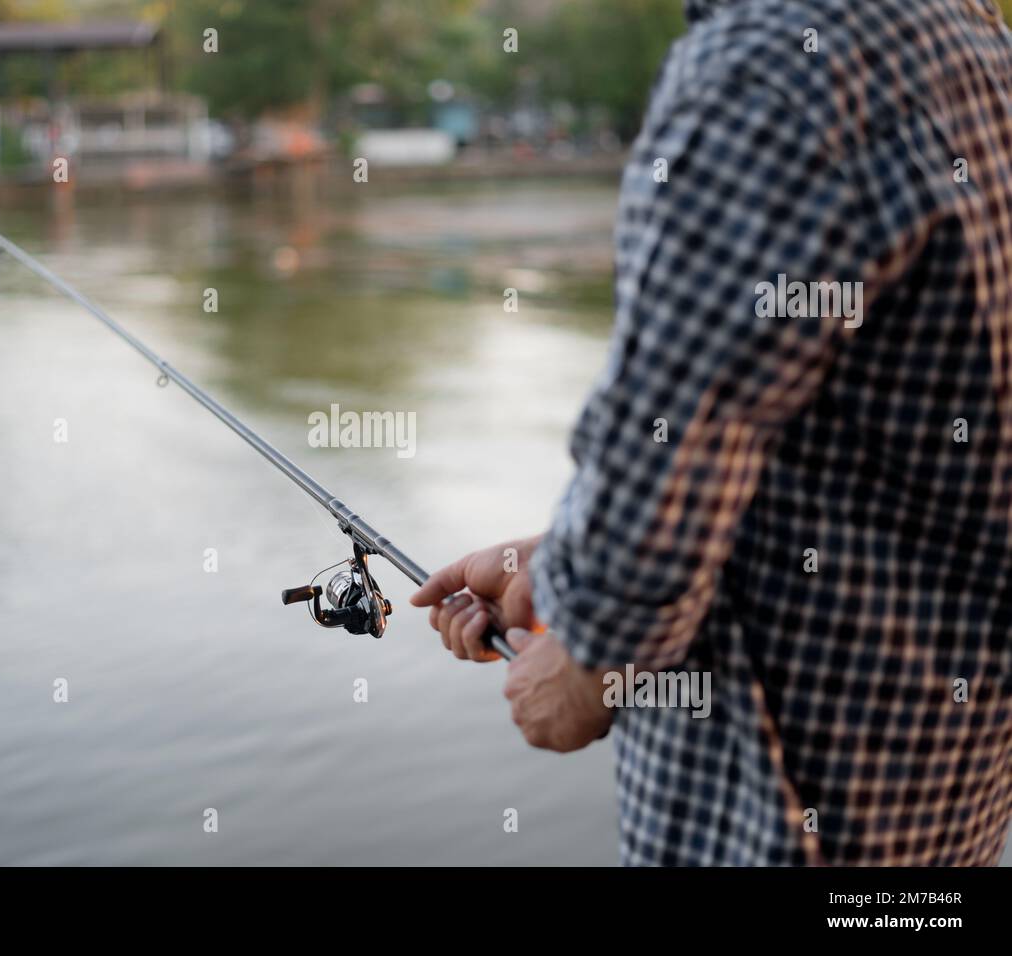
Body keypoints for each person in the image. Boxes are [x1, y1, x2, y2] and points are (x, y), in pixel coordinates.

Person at [413, 0, 1012, 866]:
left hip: (783, 807)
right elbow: (869, 452)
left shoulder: (769, 66)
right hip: (944, 792)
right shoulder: (975, 42)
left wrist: (587, 655)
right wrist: (555, 563)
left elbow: (677, 427)